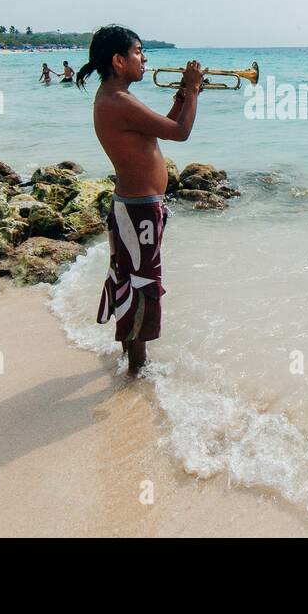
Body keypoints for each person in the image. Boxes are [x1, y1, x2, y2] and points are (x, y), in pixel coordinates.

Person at [80, 25, 203, 375]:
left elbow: (164, 124)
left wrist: (182, 96)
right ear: (119, 61)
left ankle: (129, 360)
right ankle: (138, 371)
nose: (144, 58)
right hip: (138, 213)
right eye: (138, 51)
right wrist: (193, 88)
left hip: (134, 209)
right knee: (141, 287)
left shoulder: (117, 98)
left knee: (130, 281)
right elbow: (180, 133)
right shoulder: (117, 102)